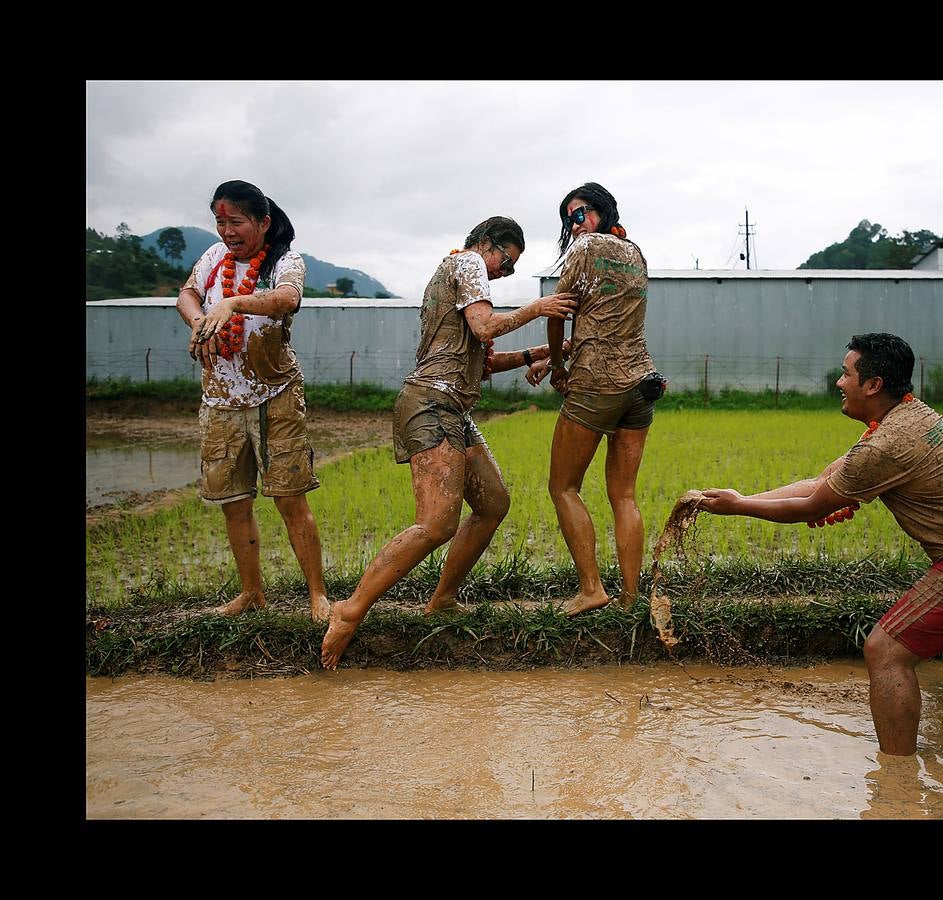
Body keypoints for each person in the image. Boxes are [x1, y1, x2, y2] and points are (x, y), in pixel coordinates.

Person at [699, 333, 943, 756]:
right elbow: (821, 484)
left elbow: (812, 504)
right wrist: (742, 496)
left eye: (846, 373)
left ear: (873, 385)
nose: (838, 382)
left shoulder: (886, 445)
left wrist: (740, 507)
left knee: (885, 649)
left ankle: (897, 779)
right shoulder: (903, 419)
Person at [321, 216, 578, 670]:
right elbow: (484, 329)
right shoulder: (469, 263)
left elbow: (483, 362)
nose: (505, 272)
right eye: (507, 261)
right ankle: (351, 608)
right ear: (486, 244)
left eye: (513, 268)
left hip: (452, 407)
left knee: (494, 502)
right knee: (436, 523)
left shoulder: (461, 279)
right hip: (430, 403)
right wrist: (537, 308)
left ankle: (442, 599)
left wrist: (539, 354)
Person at [176, 180, 330, 623]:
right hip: (221, 399)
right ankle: (251, 593)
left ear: (262, 222)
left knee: (289, 498)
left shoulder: (285, 262)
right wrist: (200, 319)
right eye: (220, 221)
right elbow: (187, 293)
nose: (227, 230)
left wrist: (234, 304)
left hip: (275, 397)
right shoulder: (212, 258)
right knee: (234, 501)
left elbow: (287, 299)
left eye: (236, 221)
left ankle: (317, 595)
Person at [529, 183, 660, 616]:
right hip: (641, 381)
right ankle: (629, 597)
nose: (574, 222)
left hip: (596, 381)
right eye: (568, 216)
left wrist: (557, 364)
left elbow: (557, 312)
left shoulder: (583, 251)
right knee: (623, 495)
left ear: (601, 212)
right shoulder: (636, 252)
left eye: (580, 212)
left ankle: (591, 589)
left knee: (562, 485)